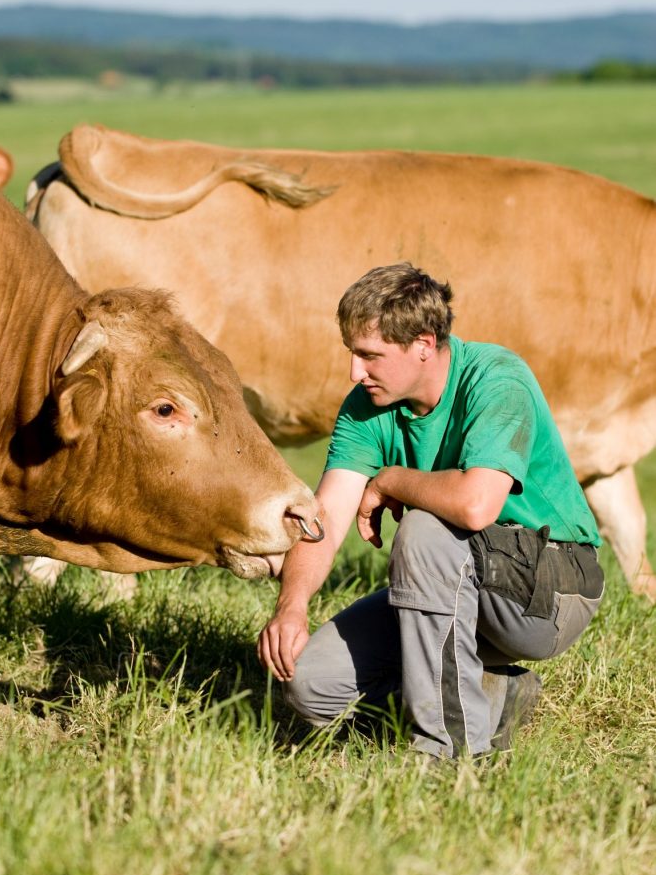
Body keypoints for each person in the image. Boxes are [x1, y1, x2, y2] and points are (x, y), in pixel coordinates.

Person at [258, 263, 604, 760]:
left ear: (423, 344)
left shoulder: (497, 378)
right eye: (352, 353)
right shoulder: (365, 406)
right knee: (312, 684)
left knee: (424, 529)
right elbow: (325, 521)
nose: (355, 372)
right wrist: (291, 606)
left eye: (369, 355)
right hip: (456, 581)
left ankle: (449, 754)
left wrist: (390, 479)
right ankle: (494, 696)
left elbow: (475, 505)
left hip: (551, 590)